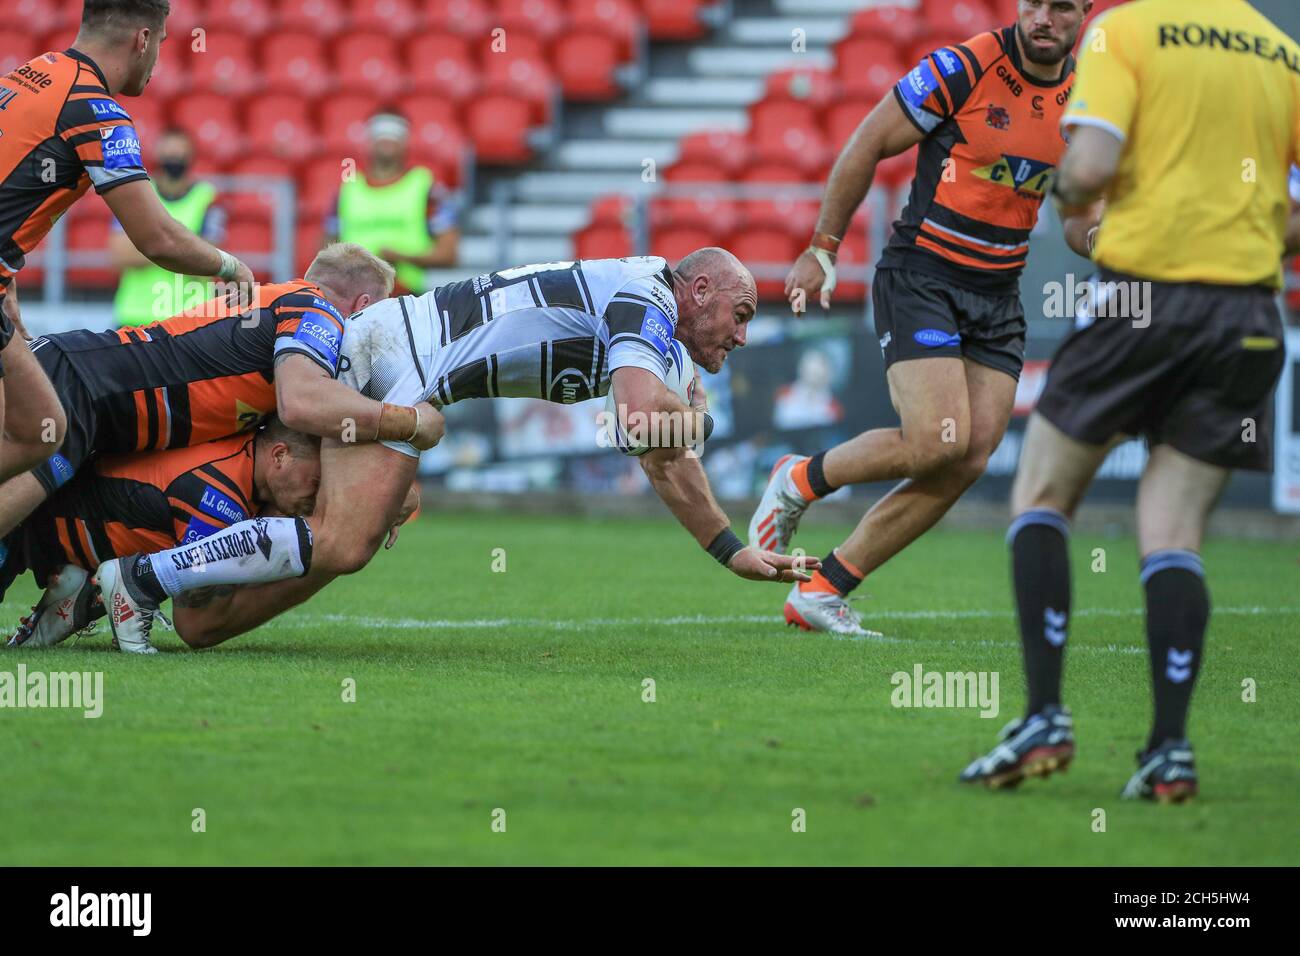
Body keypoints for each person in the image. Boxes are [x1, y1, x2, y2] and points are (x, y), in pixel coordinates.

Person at [95, 250, 815, 653]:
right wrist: (704, 425)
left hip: (409, 361)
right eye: (740, 314)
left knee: (216, 614)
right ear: (698, 290)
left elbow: (663, 459)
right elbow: (637, 422)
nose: (743, 335)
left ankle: (136, 587)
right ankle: (140, 579)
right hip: (394, 350)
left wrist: (728, 550)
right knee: (345, 540)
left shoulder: (668, 349)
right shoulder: (646, 298)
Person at [959, 0, 1300, 802]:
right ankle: (1169, 753)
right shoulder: (1284, 56)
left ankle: (1044, 716)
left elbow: (1083, 170)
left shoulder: (1128, 30)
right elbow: (1290, 222)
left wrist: (1064, 190)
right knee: (1175, 531)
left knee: (1042, 490)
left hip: (1145, 300)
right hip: (1251, 315)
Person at [751, 0, 1098, 635]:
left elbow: (1077, 217)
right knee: (934, 439)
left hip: (998, 296)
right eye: (1035, 4)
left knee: (964, 459)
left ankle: (821, 591)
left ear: (1086, 14)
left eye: (1063, 8)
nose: (1044, 17)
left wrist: (1107, 240)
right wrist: (822, 248)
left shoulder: (1088, 100)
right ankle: (799, 478)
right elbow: (869, 141)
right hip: (923, 276)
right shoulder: (964, 67)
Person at [0, 243, 443, 546]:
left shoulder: (280, 305)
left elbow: (301, 436)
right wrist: (411, 423)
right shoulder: (315, 308)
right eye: (381, 312)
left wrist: (385, 482)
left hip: (86, 383)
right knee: (25, 487)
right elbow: (305, 405)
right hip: (85, 385)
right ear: (363, 305)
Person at [0, 0, 258, 483]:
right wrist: (231, 267)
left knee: (39, 427)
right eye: (160, 44)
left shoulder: (32, 72)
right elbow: (156, 238)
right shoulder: (97, 110)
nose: (158, 61)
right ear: (142, 40)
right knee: (38, 430)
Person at [4, 417, 323, 649]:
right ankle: (92, 592)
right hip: (22, 527)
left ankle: (84, 592)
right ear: (280, 455)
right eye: (316, 481)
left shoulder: (236, 451)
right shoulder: (220, 495)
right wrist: (319, 561)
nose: (316, 496)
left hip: (39, 521)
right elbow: (195, 623)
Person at [324, 110, 460, 294]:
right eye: (381, 135)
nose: (386, 142)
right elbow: (326, 253)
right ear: (368, 141)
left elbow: (448, 254)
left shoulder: (426, 188)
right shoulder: (347, 190)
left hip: (405, 295)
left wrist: (399, 257)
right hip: (352, 296)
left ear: (405, 141)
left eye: (394, 135)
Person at [110, 127, 227, 327]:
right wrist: (183, 247)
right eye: (169, 152)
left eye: (179, 153)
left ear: (191, 156)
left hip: (191, 318)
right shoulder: (136, 194)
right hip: (134, 316)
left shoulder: (208, 197)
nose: (174, 158)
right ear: (157, 154)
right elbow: (121, 256)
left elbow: (207, 263)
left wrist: (150, 244)